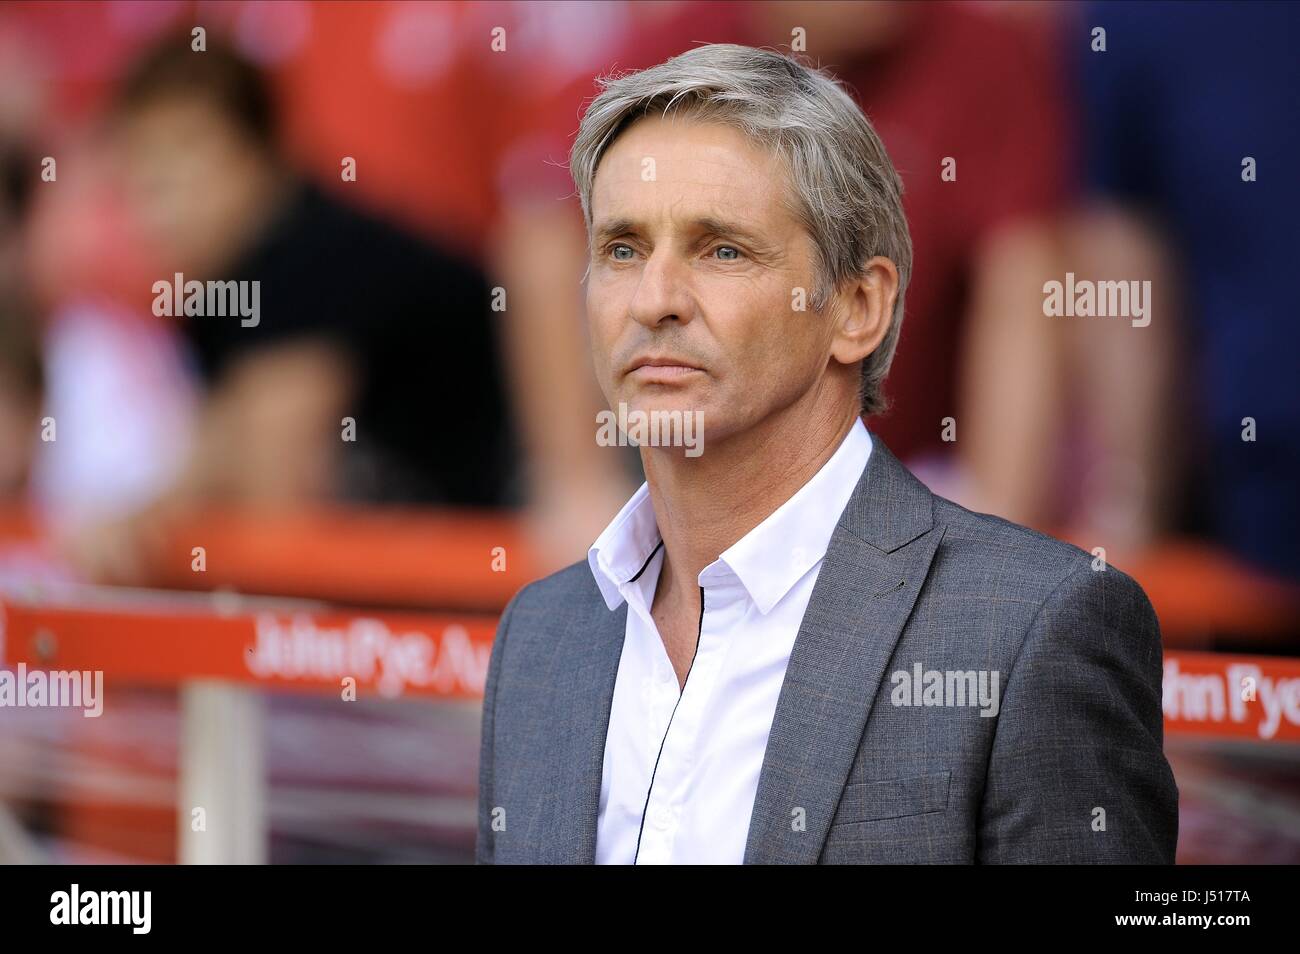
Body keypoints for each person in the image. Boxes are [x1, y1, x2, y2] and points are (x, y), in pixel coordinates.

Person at [476, 44, 1177, 864]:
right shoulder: (542, 635)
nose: (654, 300)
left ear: (859, 308)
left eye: (721, 250)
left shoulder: (1033, 626)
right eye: (623, 249)